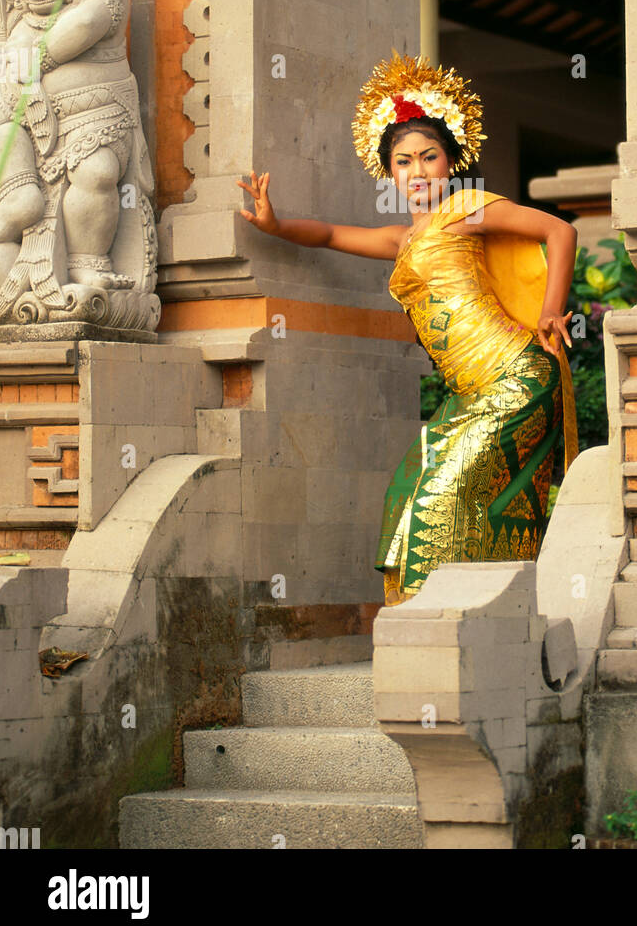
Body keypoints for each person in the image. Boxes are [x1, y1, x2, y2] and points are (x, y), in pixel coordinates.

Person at [237, 52, 578, 605]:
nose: (417, 172)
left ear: (451, 162)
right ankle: (448, 622)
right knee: (410, 491)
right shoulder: (401, 240)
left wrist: (550, 309)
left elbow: (559, 231)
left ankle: (452, 622)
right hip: (469, 393)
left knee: (444, 495)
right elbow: (326, 235)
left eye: (429, 158)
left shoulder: (467, 209)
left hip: (516, 378)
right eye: (403, 162)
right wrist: (274, 226)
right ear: (388, 171)